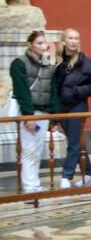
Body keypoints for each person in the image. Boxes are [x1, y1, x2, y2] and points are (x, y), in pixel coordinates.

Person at [9, 30, 59, 193]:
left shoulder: (47, 62)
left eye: (45, 43)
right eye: (39, 43)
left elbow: (52, 88)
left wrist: (53, 116)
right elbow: (22, 91)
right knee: (29, 149)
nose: (43, 46)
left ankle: (35, 183)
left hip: (44, 112)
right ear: (30, 45)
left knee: (37, 150)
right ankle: (29, 187)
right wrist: (28, 115)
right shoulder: (19, 63)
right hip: (29, 112)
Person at [54, 28, 91, 188]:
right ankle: (88, 174)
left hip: (77, 106)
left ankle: (66, 176)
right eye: (70, 38)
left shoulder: (84, 62)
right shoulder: (58, 61)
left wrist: (77, 92)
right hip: (62, 107)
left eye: (76, 38)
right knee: (77, 142)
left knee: (73, 142)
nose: (74, 41)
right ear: (64, 41)